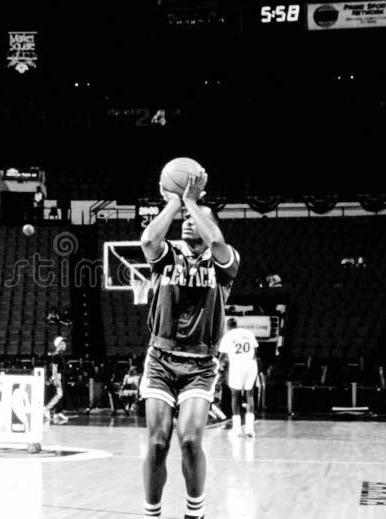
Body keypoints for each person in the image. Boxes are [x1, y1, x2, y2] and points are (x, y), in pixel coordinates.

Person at [139, 170, 239, 519]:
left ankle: (194, 513)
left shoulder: (226, 263)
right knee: (156, 443)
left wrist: (194, 203)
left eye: (194, 220)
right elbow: (148, 241)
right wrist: (173, 202)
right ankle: (152, 513)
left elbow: (216, 243)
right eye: (185, 219)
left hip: (200, 364)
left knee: (190, 441)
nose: (187, 223)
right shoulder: (167, 256)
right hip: (160, 359)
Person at [218, 318, 259, 437]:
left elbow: (222, 355)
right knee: (250, 395)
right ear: (237, 325)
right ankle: (250, 429)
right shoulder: (248, 333)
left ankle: (237, 429)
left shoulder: (228, 335)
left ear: (228, 326)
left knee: (235, 395)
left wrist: (218, 365)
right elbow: (256, 350)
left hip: (237, 365)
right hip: (251, 363)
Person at [44, 336, 69, 424]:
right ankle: (46, 408)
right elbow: (54, 368)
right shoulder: (56, 355)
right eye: (62, 343)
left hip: (61, 376)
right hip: (58, 376)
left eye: (64, 343)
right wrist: (55, 379)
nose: (64, 345)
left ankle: (57, 413)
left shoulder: (60, 354)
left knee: (60, 395)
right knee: (59, 394)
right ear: (58, 345)